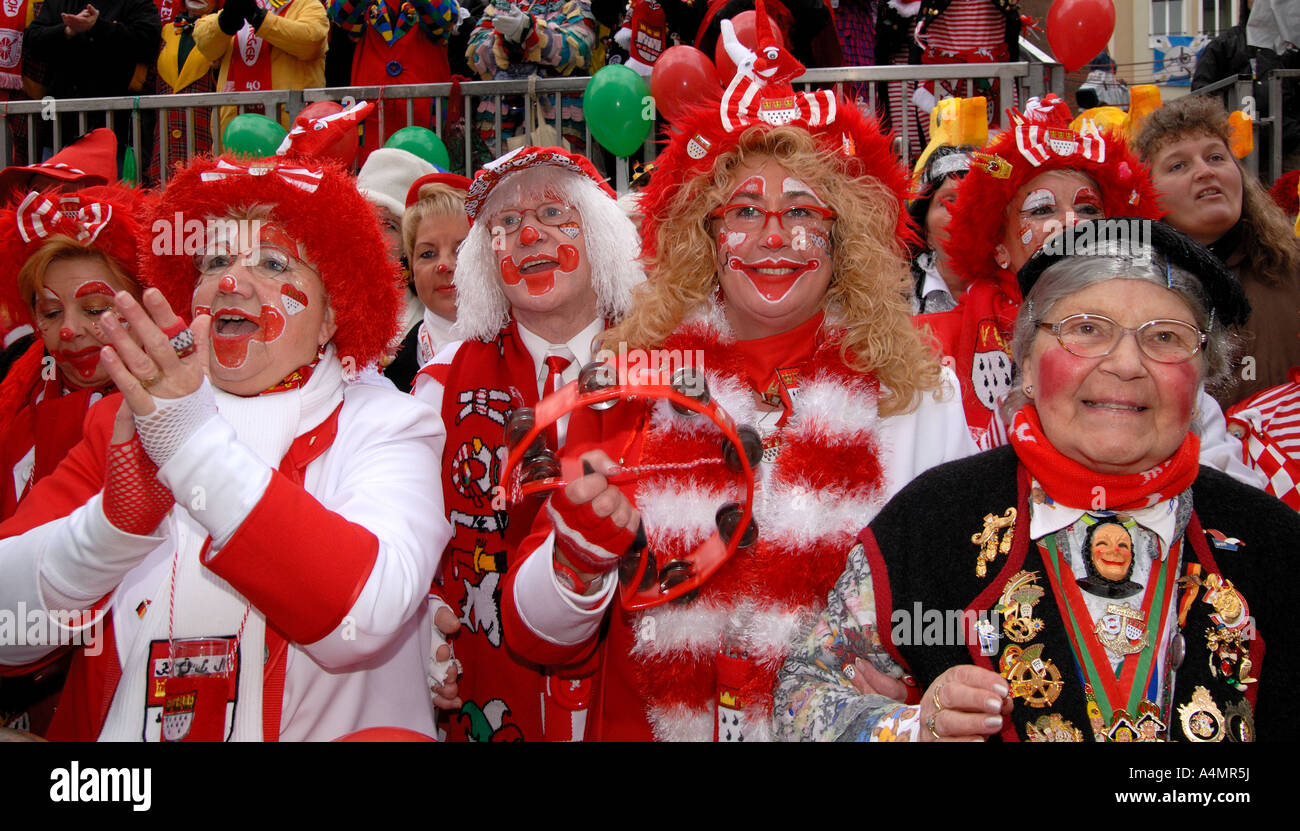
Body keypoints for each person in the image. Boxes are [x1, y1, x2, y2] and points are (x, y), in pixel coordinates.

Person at [499, 21, 976, 741]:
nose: (774, 238)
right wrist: (579, 556)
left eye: (804, 213)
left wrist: (919, 664)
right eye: (745, 211)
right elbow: (535, 637)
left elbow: (966, 594)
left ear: (843, 234)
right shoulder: (630, 381)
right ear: (703, 232)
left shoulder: (916, 391)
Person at [775, 219, 1299, 742]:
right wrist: (909, 728)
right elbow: (803, 694)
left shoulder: (1272, 544)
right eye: (1087, 329)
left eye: (1166, 337)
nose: (1125, 364)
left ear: (1202, 375)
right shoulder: (935, 520)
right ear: (1025, 361)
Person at [0, 155, 449, 741]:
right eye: (215, 261)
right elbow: (12, 633)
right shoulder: (123, 420)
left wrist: (191, 447)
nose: (232, 282)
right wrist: (110, 529)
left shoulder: (388, 424)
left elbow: (363, 614)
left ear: (332, 314)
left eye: (271, 262)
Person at [412, 145, 644, 740]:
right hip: (493, 700)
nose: (529, 236)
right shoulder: (439, 385)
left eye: (553, 213)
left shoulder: (671, 369)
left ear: (600, 233)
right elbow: (414, 549)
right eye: (506, 224)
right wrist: (422, 631)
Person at [934, 93, 1161, 447]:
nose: (1072, 223)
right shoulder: (930, 343)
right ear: (1000, 249)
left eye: (1088, 209)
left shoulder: (1157, 333)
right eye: (1042, 211)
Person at [0, 185, 144, 735]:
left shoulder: (172, 417)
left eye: (96, 309)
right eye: (50, 311)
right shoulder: (18, 408)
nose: (69, 331)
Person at [1135, 94, 1300, 409]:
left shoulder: (1294, 267)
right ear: (1147, 192)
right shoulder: (1128, 289)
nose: (1204, 172)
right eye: (1178, 165)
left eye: (1215, 158)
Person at [328, 0, 465, 164]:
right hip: (374, 111)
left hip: (422, 111)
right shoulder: (370, 6)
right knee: (372, 176)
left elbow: (444, 19)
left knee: (425, 177)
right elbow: (340, 15)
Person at [23, 0, 161, 154]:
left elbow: (148, 42)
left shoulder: (136, 3)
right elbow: (33, 41)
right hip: (60, 129)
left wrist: (98, 27)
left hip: (114, 128)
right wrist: (67, 30)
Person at [467, 1, 595, 153]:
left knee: (555, 173)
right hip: (501, 126)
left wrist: (531, 33)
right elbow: (475, 49)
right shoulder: (500, 4)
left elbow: (579, 46)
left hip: (556, 124)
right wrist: (506, 40)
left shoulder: (574, 3)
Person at [193, 0, 329, 135]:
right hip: (235, 131)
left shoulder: (308, 5)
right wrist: (225, 22)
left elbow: (312, 41)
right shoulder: (240, 6)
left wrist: (259, 18)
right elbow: (205, 44)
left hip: (293, 132)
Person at [401, 171, 470, 374]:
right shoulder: (388, 374)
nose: (444, 265)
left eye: (461, 250)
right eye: (428, 253)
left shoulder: (536, 352)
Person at [907, 143, 976, 313]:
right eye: (948, 201)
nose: (960, 212)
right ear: (925, 229)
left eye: (972, 200)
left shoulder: (1015, 293)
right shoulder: (896, 297)